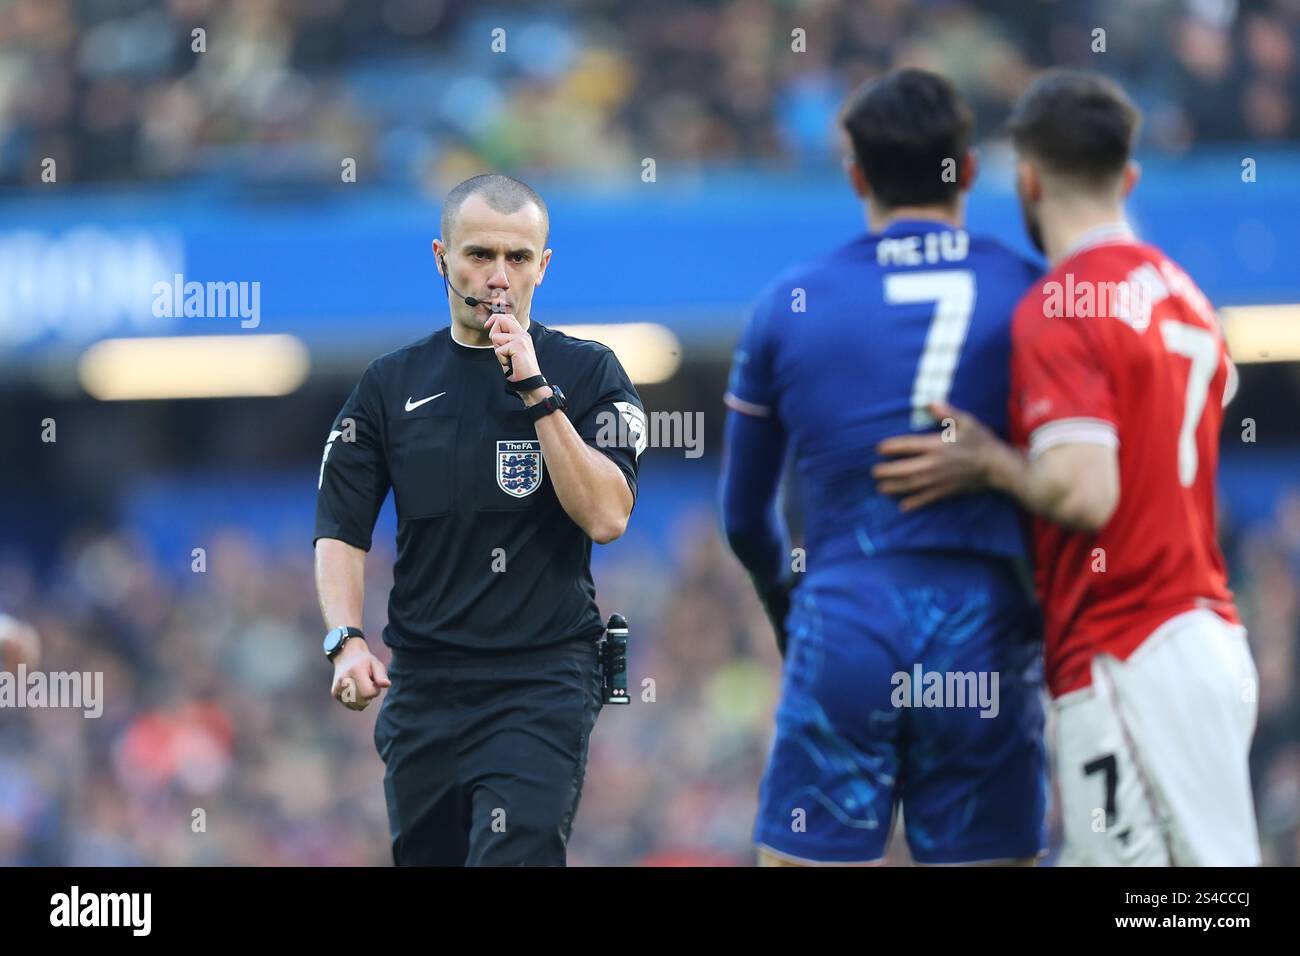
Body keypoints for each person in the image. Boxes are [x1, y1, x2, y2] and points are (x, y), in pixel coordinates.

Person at [874, 70, 1259, 865]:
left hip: (1130, 644)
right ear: (1130, 176)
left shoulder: (1062, 303)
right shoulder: (1186, 296)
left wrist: (989, 462)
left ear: (1027, 179)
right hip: (1206, 636)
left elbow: (1085, 490)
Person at [721, 68, 1047, 866]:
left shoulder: (789, 303)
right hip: (985, 629)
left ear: (855, 174)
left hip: (845, 620)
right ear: (968, 169)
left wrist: (787, 608)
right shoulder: (1035, 294)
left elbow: (743, 516)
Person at [313, 173, 646, 866]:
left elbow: (608, 515)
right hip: (426, 683)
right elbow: (341, 526)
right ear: (441, 256)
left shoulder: (588, 373)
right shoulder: (389, 385)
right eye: (479, 254)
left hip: (543, 679)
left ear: (543, 266)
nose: (499, 276)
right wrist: (345, 639)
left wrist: (534, 388)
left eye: (518, 258)